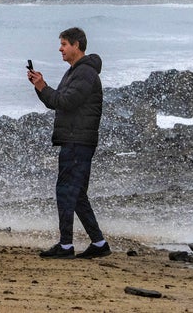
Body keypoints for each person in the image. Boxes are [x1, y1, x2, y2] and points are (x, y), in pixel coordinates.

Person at [27, 27, 111, 259]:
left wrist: (43, 86)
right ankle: (99, 243)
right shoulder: (75, 72)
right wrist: (40, 86)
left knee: (65, 191)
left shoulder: (84, 73)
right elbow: (59, 102)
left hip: (78, 141)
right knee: (77, 194)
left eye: (64, 44)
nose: (60, 48)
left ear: (76, 45)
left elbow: (66, 101)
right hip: (76, 140)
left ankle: (65, 246)